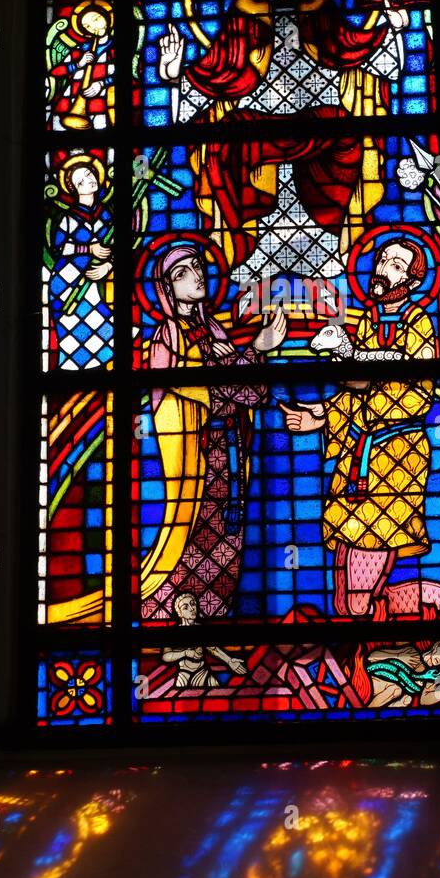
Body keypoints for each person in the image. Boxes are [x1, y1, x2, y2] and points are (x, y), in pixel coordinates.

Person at [157, 0, 409, 282]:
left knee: (347, 136)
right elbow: (222, 70)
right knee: (225, 145)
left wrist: (394, 32)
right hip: (258, 119)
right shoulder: (245, 6)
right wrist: (175, 75)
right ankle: (252, 248)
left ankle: (325, 245)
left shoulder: (317, 0)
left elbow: (348, 50)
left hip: (319, 119)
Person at [281, 237, 440, 618]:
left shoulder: (418, 322)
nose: (382, 268)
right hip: (357, 464)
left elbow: (417, 394)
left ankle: (420, 605)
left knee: (354, 599)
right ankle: (418, 603)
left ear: (412, 279)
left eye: (394, 264)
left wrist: (364, 379)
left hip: (395, 463)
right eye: (382, 259)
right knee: (345, 599)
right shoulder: (370, 322)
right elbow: (353, 392)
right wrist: (321, 415)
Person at [139, 244, 286, 620]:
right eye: (183, 271)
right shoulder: (166, 341)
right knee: (189, 540)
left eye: (198, 265)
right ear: (168, 290)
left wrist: (250, 360)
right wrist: (255, 350)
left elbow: (253, 393)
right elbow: (213, 392)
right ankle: (174, 630)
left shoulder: (215, 331)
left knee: (227, 544)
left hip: (230, 455)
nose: (197, 274)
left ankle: (215, 626)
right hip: (197, 460)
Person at [48, 154, 114, 369]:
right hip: (68, 282)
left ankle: (106, 368)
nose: (89, 181)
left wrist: (109, 265)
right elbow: (60, 248)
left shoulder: (107, 215)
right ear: (74, 189)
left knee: (105, 329)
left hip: (100, 282)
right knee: (74, 330)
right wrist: (88, 248)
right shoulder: (68, 218)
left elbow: (118, 246)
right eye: (81, 181)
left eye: (89, 174)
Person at [160, 593, 247, 689]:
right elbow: (165, 656)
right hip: (184, 675)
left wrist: (229, 660)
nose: (192, 608)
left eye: (193, 604)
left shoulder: (201, 629)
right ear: (179, 613)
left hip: (202, 672)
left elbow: (213, 649)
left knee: (217, 695)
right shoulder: (173, 632)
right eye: (185, 607)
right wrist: (185, 653)